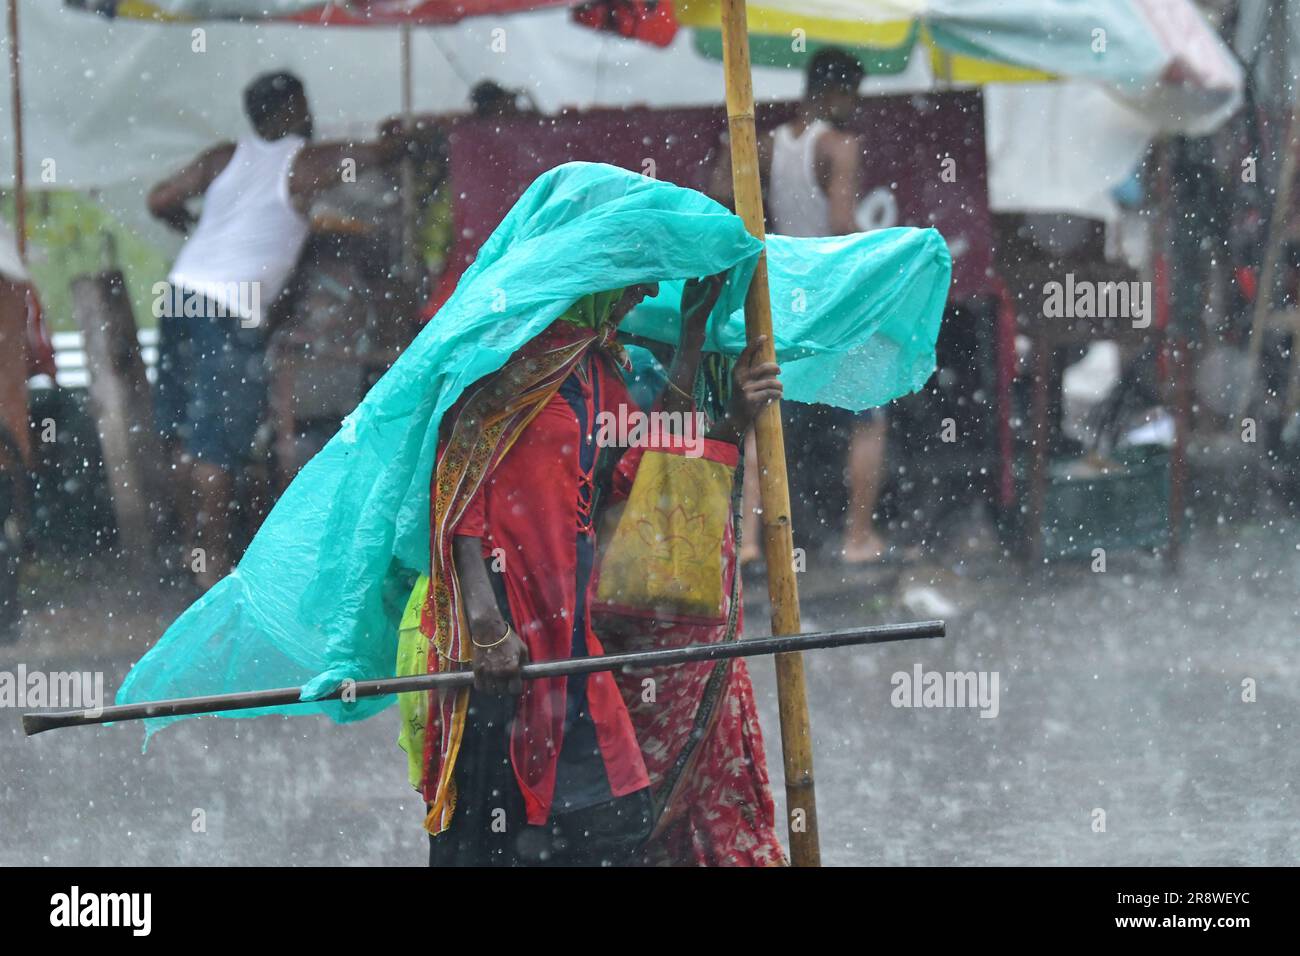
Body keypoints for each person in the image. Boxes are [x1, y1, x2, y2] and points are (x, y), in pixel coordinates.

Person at [397, 275, 786, 866]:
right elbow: (455, 488)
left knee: (613, 820)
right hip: (495, 632)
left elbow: (640, 469)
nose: (648, 290)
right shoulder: (511, 357)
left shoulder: (597, 371)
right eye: (637, 278)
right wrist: (485, 622)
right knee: (482, 836)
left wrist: (697, 353)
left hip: (569, 632)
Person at [147, 71, 406, 590]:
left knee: (184, 437)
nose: (310, 116)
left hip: (179, 296)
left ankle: (189, 558)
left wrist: (194, 228)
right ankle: (214, 577)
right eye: (303, 106)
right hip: (227, 308)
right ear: (290, 109)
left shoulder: (224, 156)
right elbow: (375, 155)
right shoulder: (302, 161)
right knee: (217, 448)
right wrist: (400, 137)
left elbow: (159, 199)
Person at [710, 47, 890, 564]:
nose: (854, 107)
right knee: (867, 417)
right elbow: (838, 224)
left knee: (763, 409)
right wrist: (879, 249)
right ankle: (857, 537)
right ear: (835, 91)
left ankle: (745, 541)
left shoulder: (764, 143)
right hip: (832, 295)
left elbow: (722, 192)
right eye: (852, 95)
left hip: (783, 293)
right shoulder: (841, 145)